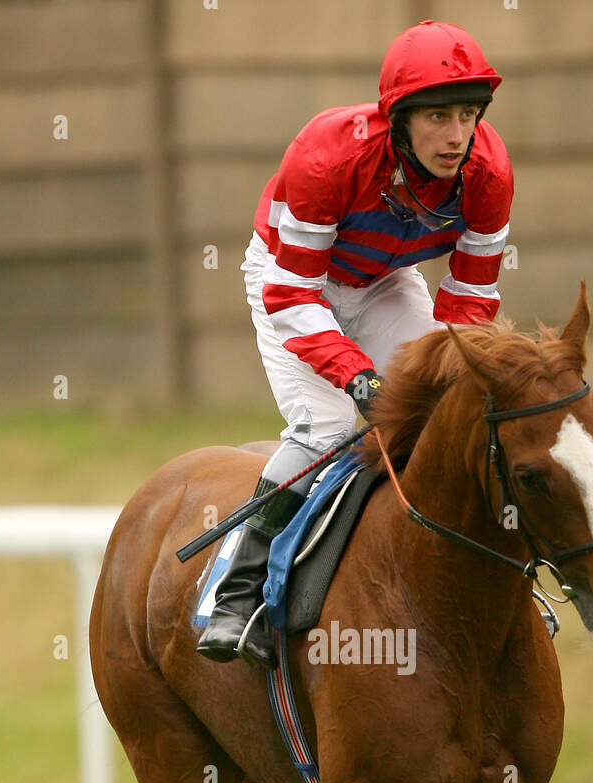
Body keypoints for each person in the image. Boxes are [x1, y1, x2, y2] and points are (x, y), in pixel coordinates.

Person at [197, 19, 514, 667]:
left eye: (468, 115)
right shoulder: (328, 156)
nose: (457, 136)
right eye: (438, 118)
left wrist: (444, 375)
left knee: (446, 408)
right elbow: (293, 294)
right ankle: (237, 589)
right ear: (398, 120)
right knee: (332, 425)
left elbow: (469, 301)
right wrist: (356, 374)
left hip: (384, 280)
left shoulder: (489, 171)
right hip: (292, 278)